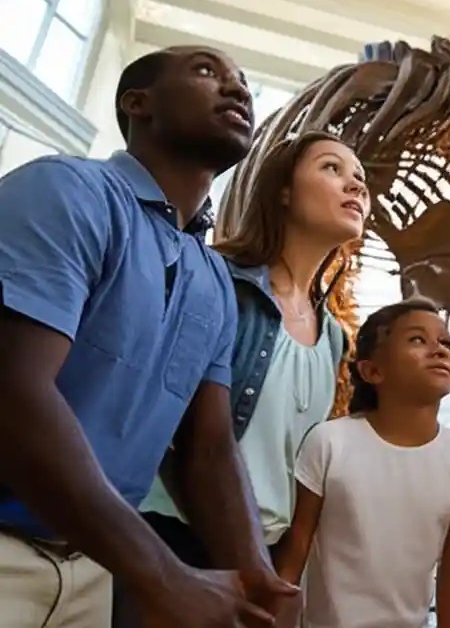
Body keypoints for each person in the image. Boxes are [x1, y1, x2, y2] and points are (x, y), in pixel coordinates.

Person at [0, 46, 295, 627]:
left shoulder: (211, 277)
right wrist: (162, 575)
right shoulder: (66, 191)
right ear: (138, 103)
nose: (238, 91)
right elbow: (13, 390)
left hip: (92, 566)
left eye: (244, 83)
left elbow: (207, 449)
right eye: (208, 72)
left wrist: (256, 573)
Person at [134, 132, 367, 565]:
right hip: (177, 540)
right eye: (332, 168)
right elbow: (167, 428)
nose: (356, 185)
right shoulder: (216, 280)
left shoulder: (333, 337)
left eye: (359, 177)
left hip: (263, 554)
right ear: (282, 190)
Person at [272, 299, 450, 628]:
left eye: (445, 343)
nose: (439, 350)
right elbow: (297, 548)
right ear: (372, 370)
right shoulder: (329, 442)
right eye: (418, 339)